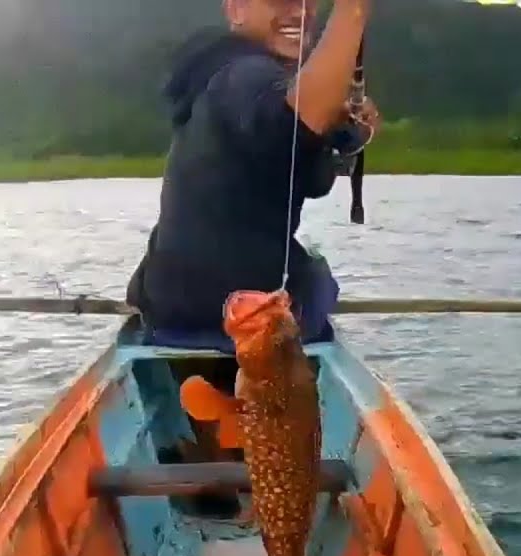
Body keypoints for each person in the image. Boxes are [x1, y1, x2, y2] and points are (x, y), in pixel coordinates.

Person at [126, 0, 378, 353]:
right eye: (281, 1)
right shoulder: (245, 74)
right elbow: (292, 123)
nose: (300, 12)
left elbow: (302, 169)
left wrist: (342, 140)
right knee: (319, 279)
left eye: (309, 2)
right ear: (236, 10)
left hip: (169, 311)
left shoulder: (215, 78)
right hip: (232, 320)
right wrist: (354, 11)